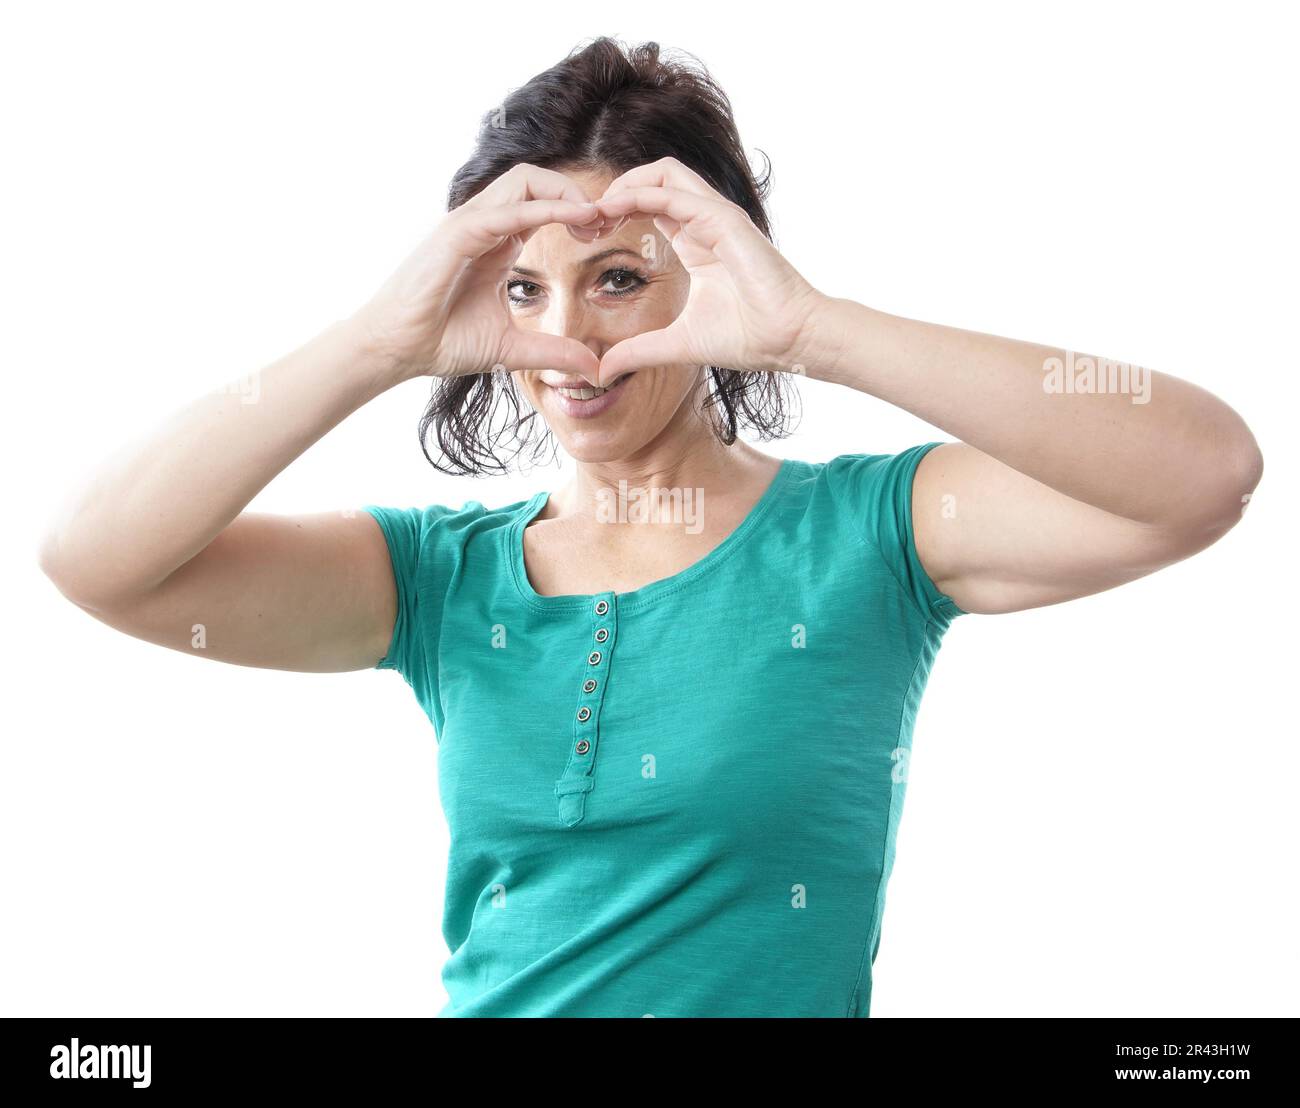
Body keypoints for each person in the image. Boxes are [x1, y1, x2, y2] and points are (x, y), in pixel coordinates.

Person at [38, 38, 1263, 1017]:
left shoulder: (870, 535)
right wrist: (372, 345)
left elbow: (1203, 471)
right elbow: (94, 561)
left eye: (619, 277)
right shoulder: (434, 580)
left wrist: (813, 330)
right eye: (525, 287)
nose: (571, 342)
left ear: (713, 268)